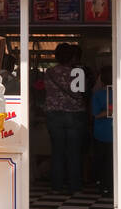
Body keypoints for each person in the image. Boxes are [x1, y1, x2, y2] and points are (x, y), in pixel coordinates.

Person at [43, 43, 85, 193]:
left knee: (57, 150)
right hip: (75, 113)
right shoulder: (78, 72)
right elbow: (82, 92)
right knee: (74, 151)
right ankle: (75, 185)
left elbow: (43, 90)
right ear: (72, 57)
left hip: (54, 114)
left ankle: (57, 185)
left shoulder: (49, 72)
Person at [90, 66, 113, 195]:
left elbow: (95, 114)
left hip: (101, 133)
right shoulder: (120, 93)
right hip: (109, 133)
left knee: (102, 160)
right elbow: (97, 114)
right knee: (109, 161)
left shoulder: (98, 95)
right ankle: (108, 185)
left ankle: (103, 185)